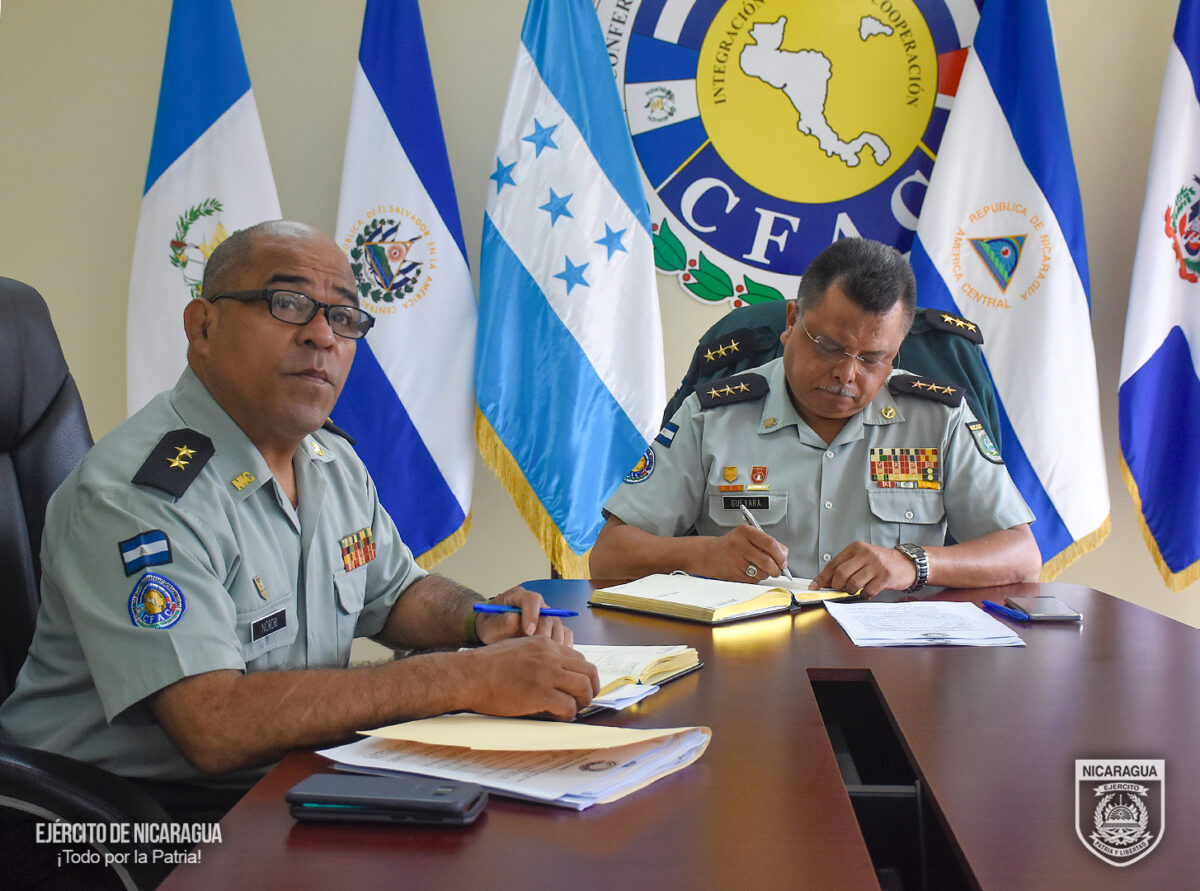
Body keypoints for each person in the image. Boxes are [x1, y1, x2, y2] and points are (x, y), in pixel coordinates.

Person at [0, 221, 599, 819]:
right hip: (128, 821)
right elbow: (214, 725)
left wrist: (480, 620)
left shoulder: (328, 458)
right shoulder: (138, 497)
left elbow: (394, 595)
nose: (322, 336)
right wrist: (464, 680)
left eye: (344, 318)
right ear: (202, 326)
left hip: (286, 782)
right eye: (287, 304)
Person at [590, 238, 1041, 596]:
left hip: (896, 658)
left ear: (896, 352)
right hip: (750, 661)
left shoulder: (937, 418)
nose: (847, 374)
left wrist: (913, 563)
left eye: (872, 358)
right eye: (829, 346)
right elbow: (609, 555)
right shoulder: (714, 415)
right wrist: (702, 554)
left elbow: (1021, 555)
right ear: (791, 321)